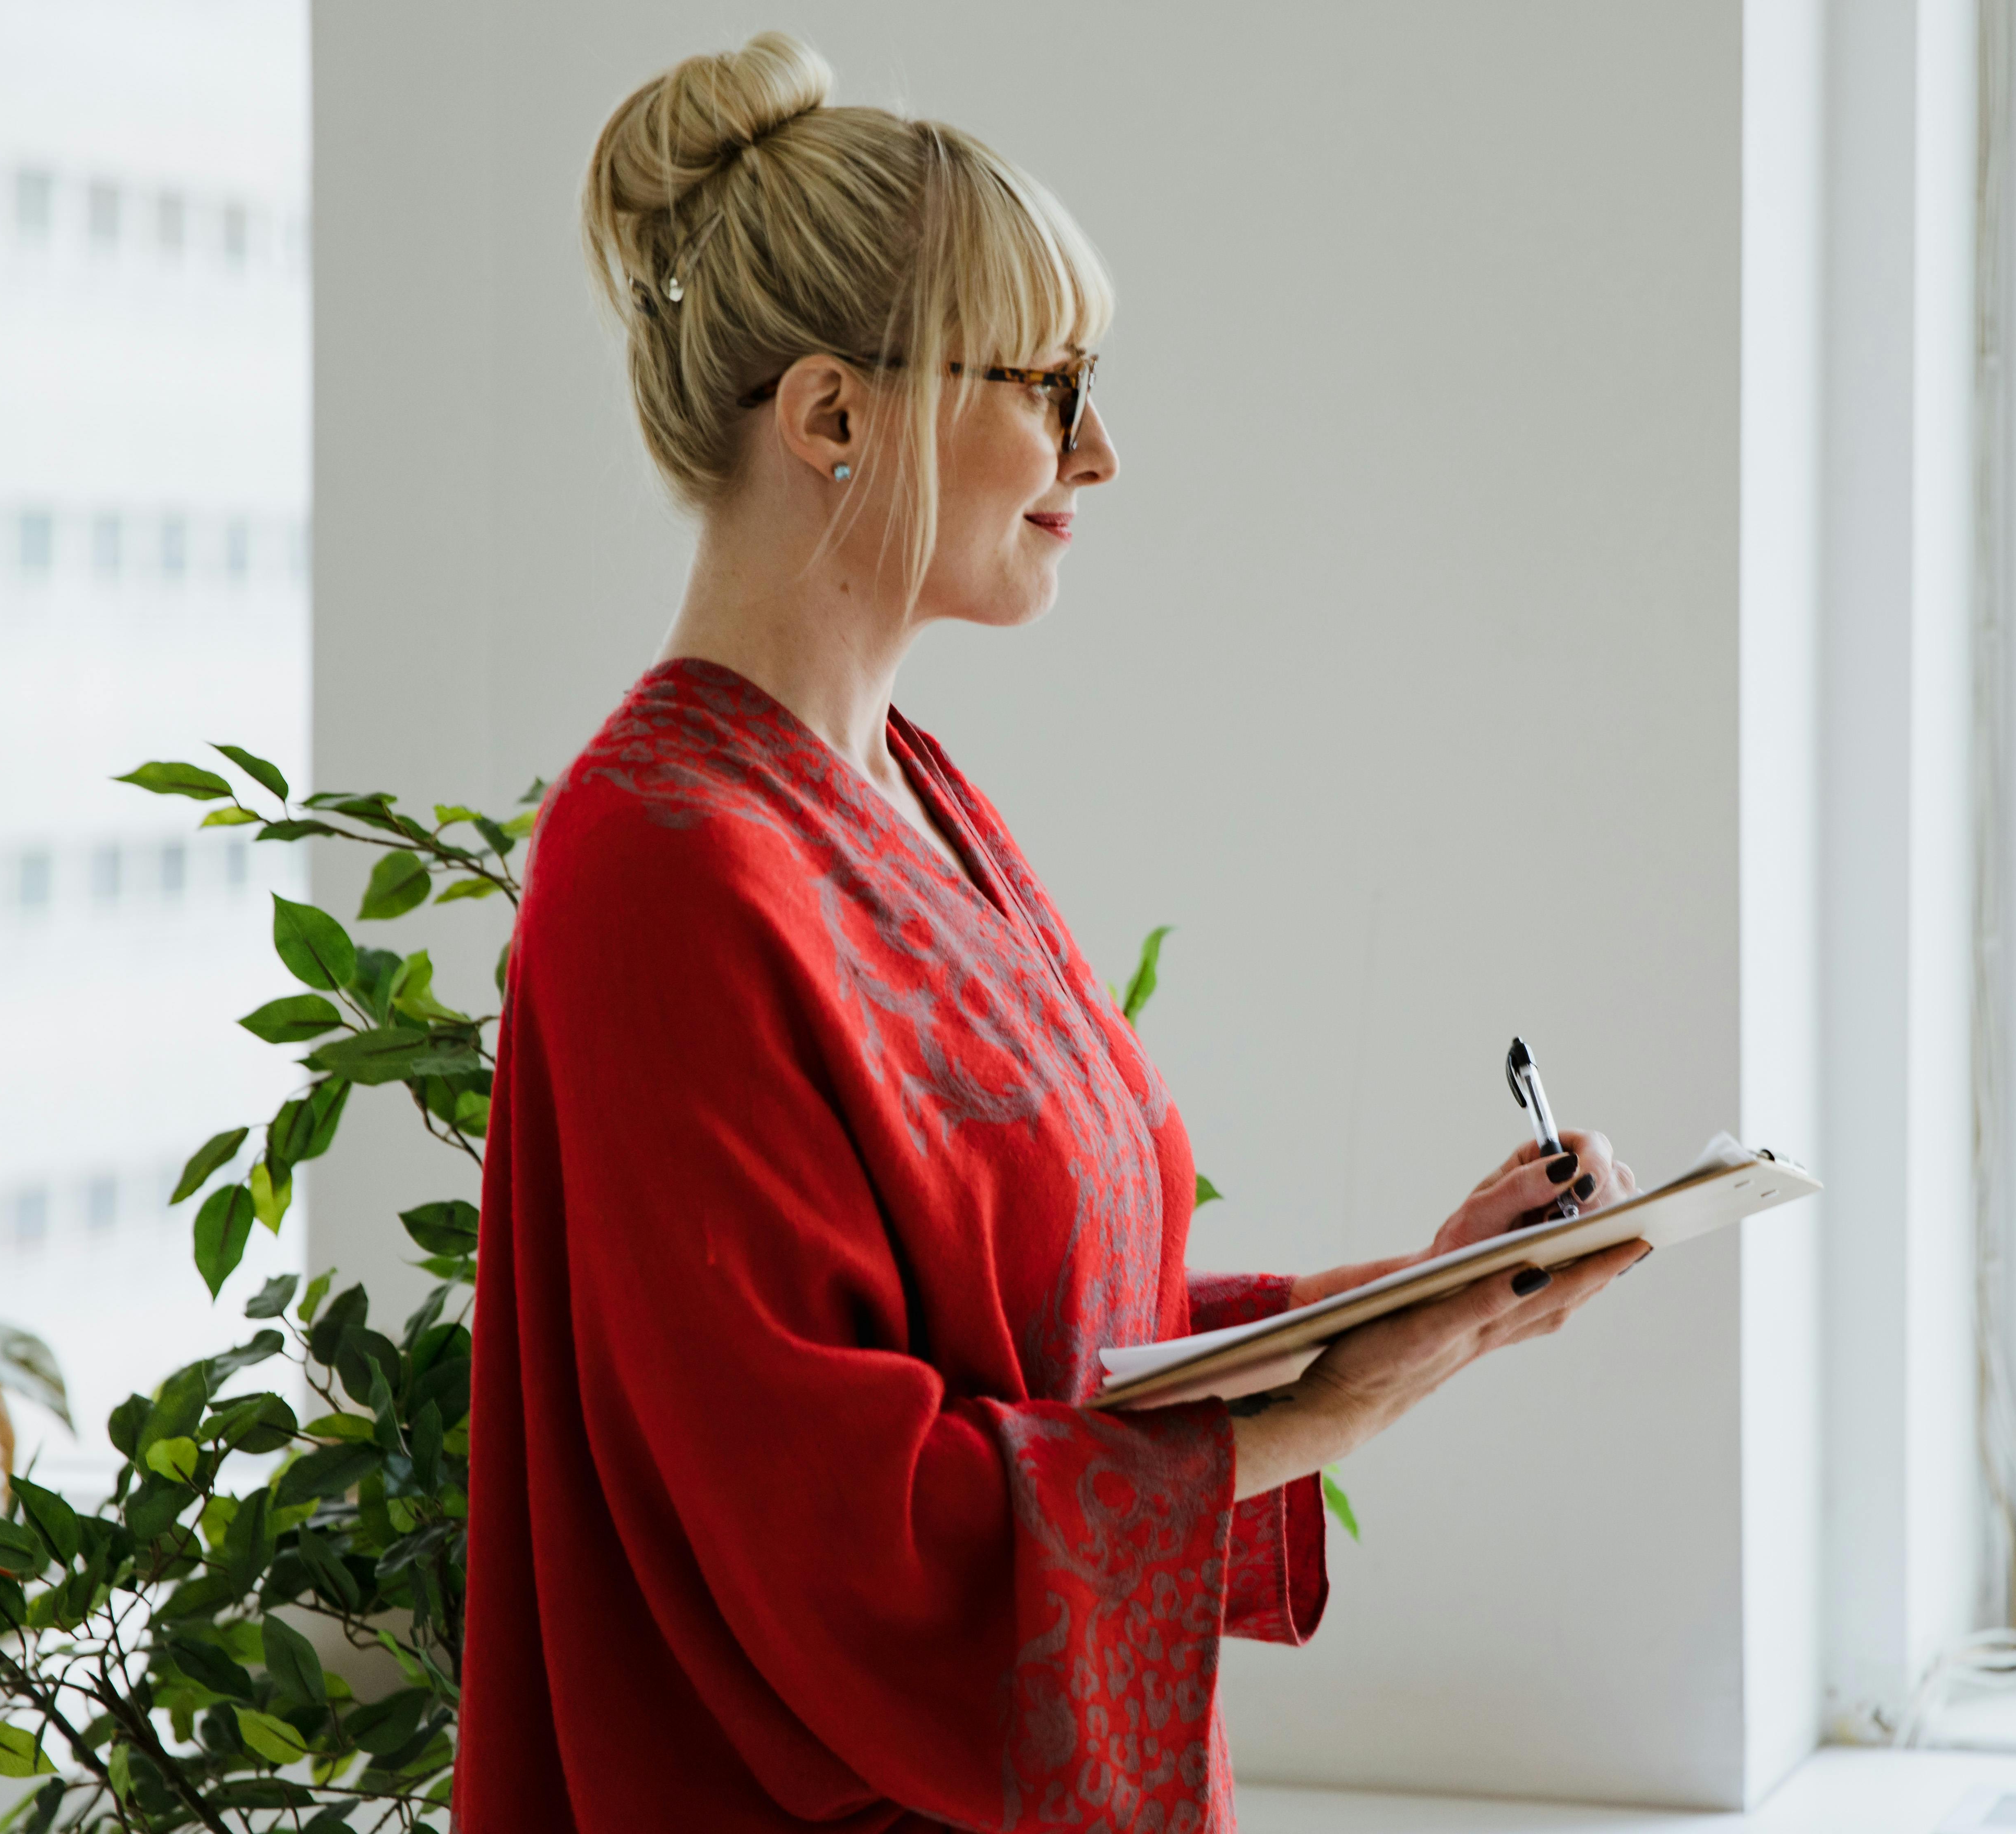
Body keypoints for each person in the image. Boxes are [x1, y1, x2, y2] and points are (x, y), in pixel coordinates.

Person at [456, 32, 1649, 1834]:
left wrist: (1420, 1302)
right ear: (836, 416)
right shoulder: (658, 861)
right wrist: (1329, 1413)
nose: (1100, 446)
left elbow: (1062, 1343)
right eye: (1049, 381)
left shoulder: (915, 797)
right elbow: (829, 1530)